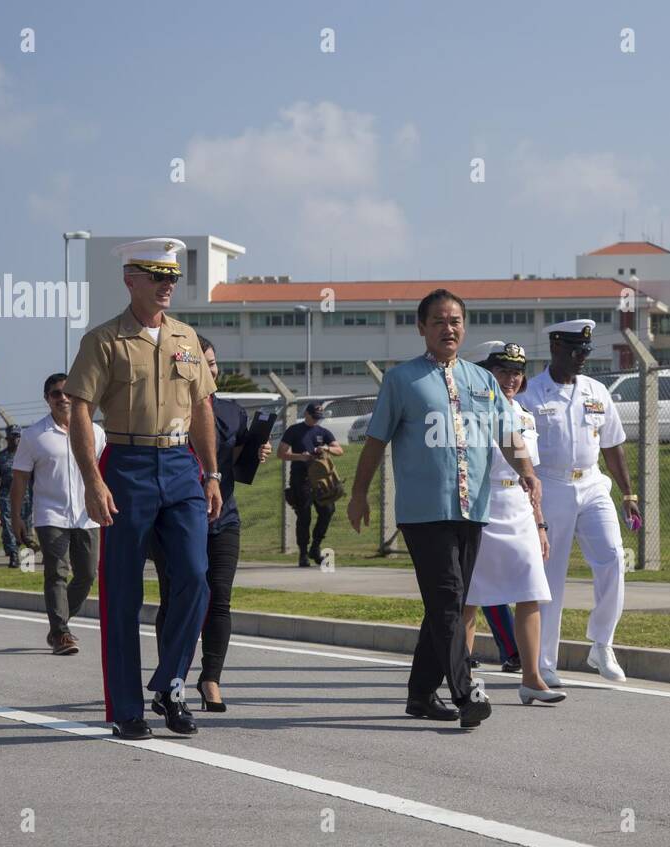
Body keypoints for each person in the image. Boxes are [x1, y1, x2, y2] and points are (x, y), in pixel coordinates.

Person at [348, 289, 541, 730]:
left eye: (455, 321)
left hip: (472, 508)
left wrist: (527, 472)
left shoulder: (483, 380)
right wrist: (359, 494)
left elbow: (507, 433)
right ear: (422, 328)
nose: (448, 328)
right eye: (438, 321)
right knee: (449, 598)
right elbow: (376, 439)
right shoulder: (402, 381)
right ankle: (464, 689)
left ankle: (419, 694)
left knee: (445, 602)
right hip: (423, 511)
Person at [65, 237, 220, 740]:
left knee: (196, 577)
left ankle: (170, 684)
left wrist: (211, 472)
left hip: (180, 466)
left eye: (172, 277)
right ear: (130, 279)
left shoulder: (187, 337)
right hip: (126, 464)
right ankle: (126, 707)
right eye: (156, 276)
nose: (166, 285)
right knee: (122, 591)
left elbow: (202, 409)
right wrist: (92, 479)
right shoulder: (103, 340)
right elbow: (81, 409)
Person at [150, 335, 271, 711]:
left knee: (219, 598)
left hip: (223, 515)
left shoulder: (233, 411)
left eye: (213, 363)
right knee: (176, 598)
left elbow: (231, 462)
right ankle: (172, 678)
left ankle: (211, 678)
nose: (210, 370)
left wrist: (253, 451)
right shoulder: (164, 411)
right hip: (172, 518)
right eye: (201, 363)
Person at [523, 319, 640, 685]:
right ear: (556, 348)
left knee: (612, 557)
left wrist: (628, 493)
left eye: (586, 352)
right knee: (550, 575)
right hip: (550, 486)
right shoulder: (531, 394)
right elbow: (518, 450)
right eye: (576, 352)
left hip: (591, 484)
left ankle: (601, 643)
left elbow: (612, 444)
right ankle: (544, 663)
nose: (582, 359)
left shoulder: (595, 390)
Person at [461, 341, 565, 705]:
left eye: (516, 372)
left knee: (530, 591)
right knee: (469, 599)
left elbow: (530, 474)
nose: (510, 378)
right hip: (481, 505)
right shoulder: (469, 414)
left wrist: (540, 525)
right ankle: (464, 679)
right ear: (484, 374)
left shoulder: (524, 414)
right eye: (502, 370)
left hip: (519, 507)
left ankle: (532, 678)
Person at [10, 373, 105, 656]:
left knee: (87, 574)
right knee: (56, 573)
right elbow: (19, 480)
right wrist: (17, 517)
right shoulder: (33, 435)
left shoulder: (96, 432)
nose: (62, 398)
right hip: (50, 515)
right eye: (55, 394)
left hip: (87, 516)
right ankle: (62, 633)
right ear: (47, 399)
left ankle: (58, 623)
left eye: (67, 392)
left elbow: (103, 473)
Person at [278, 401, 342, 567]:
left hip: (321, 480)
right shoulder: (294, 431)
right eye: (313, 417)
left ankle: (315, 547)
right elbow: (282, 453)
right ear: (306, 414)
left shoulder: (323, 432)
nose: (316, 420)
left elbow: (339, 450)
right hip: (301, 478)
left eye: (318, 418)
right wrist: (301, 456)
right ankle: (303, 553)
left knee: (327, 510)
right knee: (304, 516)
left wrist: (325, 449)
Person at [0, 425, 35, 566]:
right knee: (9, 526)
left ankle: (28, 562)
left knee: (27, 528)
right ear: (8, 438)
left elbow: (35, 478)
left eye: (18, 437)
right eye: (13, 437)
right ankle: (14, 556)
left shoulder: (28, 455)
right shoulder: (0, 458)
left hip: (27, 496)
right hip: (6, 497)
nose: (16, 439)